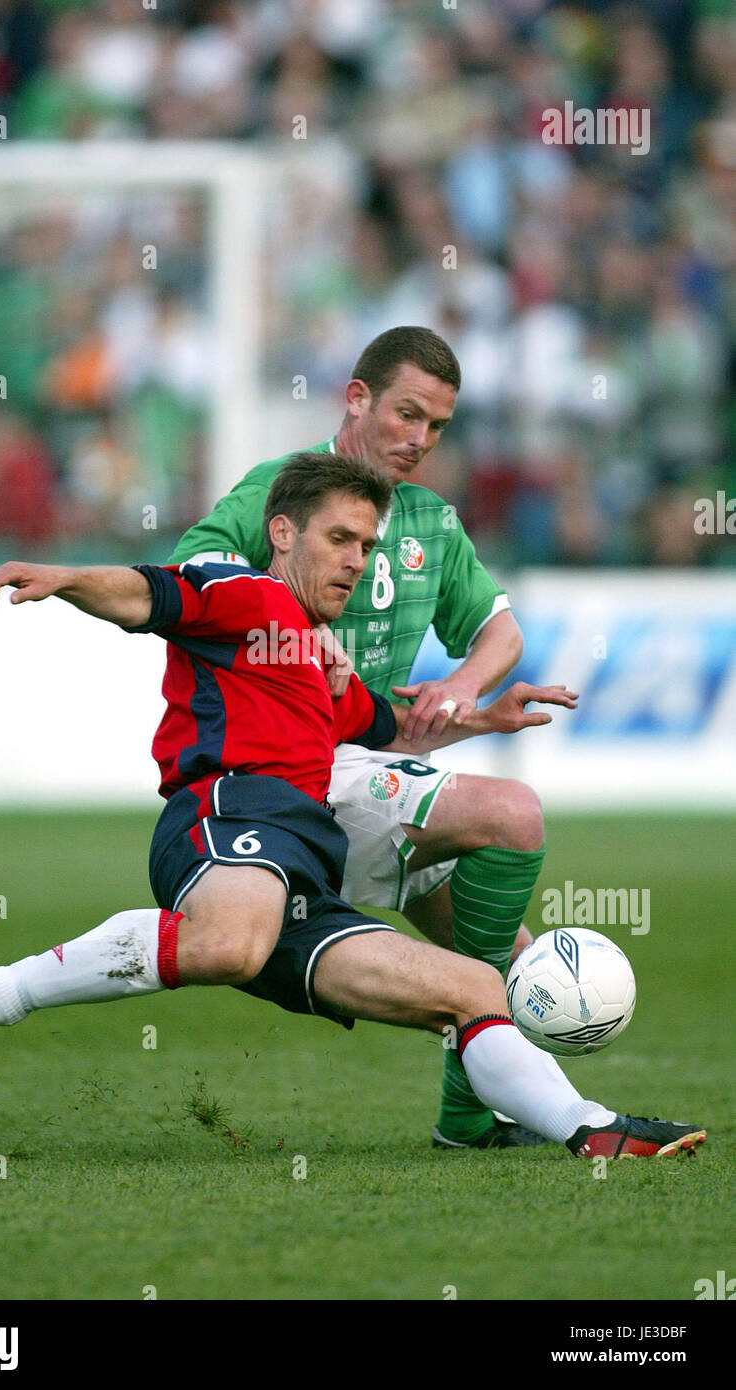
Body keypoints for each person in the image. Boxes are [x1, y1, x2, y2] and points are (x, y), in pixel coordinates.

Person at [0, 453, 704, 1161]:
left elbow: (384, 727)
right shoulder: (243, 591)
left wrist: (487, 715)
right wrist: (65, 579)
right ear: (282, 534)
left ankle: (588, 1129)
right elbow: (145, 594)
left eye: (366, 545)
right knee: (232, 942)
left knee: (471, 990)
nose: (355, 560)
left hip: (304, 880)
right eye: (338, 540)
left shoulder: (319, 664)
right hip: (227, 817)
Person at [169, 325, 539, 1149]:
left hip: (379, 767)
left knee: (514, 972)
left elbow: (500, 631)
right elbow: (191, 567)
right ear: (356, 397)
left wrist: (461, 686)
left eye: (437, 426)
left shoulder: (431, 524)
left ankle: (467, 1123)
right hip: (292, 767)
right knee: (512, 819)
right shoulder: (281, 489)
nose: (419, 439)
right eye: (406, 414)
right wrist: (289, 617)